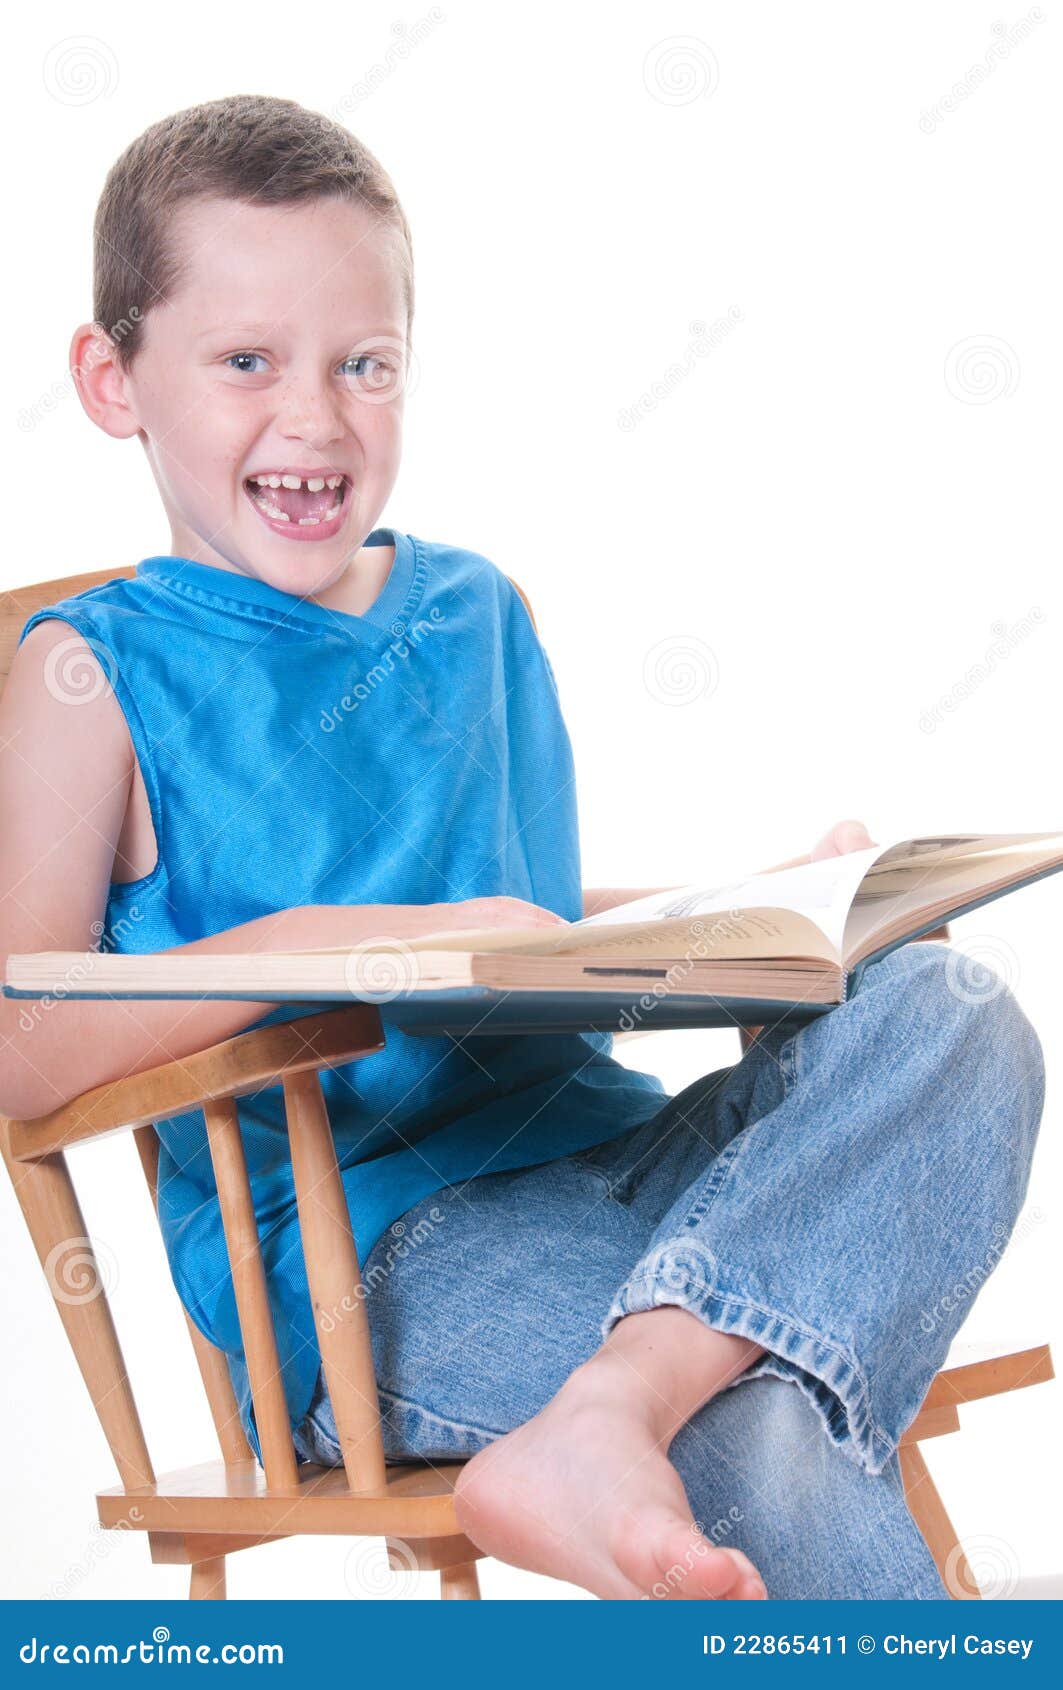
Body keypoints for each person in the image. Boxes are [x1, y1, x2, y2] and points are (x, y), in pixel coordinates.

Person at [0, 96, 1044, 1602]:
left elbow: (529, 935)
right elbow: (24, 1041)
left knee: (954, 1013)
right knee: (758, 1435)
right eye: (246, 362)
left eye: (366, 366)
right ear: (114, 380)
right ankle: (651, 1413)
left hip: (630, 1160)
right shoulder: (88, 675)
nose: (315, 419)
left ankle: (606, 1409)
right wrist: (324, 948)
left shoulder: (475, 611)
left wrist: (776, 904)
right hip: (388, 1254)